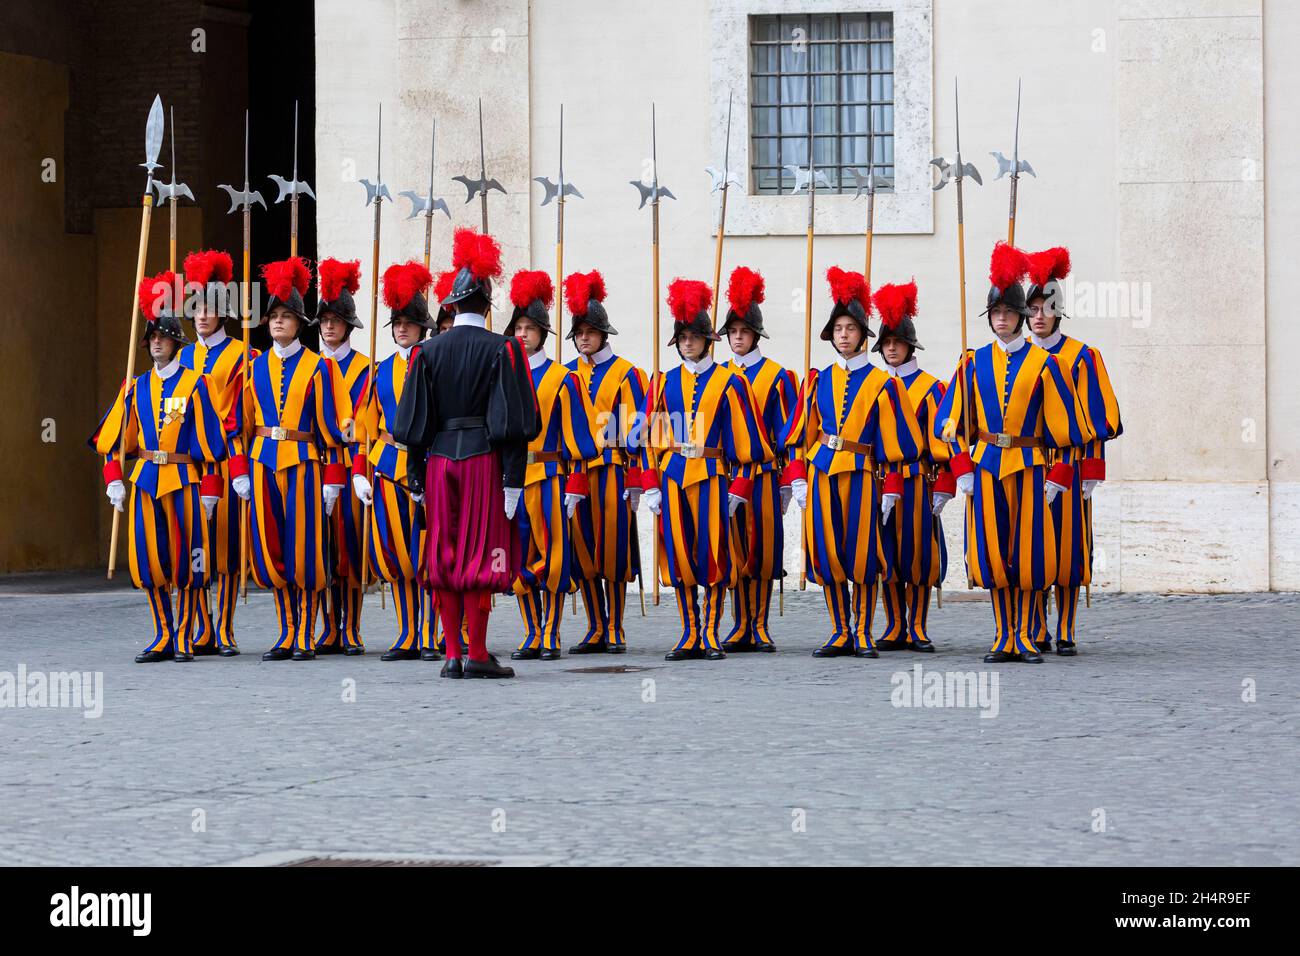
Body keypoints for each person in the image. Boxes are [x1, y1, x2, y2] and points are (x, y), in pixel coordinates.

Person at [934, 243, 1094, 663]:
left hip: (1030, 466)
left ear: (1022, 316)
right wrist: (961, 466)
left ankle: (1025, 634)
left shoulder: (1046, 365)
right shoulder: (971, 363)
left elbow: (1068, 431)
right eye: (995, 313)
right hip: (986, 466)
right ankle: (1003, 635)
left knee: (1029, 554)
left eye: (1008, 312)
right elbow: (948, 423)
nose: (1001, 319)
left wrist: (1060, 476)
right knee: (994, 554)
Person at [392, 228, 540, 679]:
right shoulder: (505, 349)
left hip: (438, 462)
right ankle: (477, 651)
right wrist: (513, 481)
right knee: (485, 554)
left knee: (443, 555)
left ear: (451, 306)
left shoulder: (425, 352)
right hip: (484, 461)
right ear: (488, 306)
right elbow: (514, 425)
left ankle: (453, 654)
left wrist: (416, 478)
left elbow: (412, 427)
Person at [779, 267, 923, 659]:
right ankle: (839, 629)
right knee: (828, 553)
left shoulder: (884, 383)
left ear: (862, 334)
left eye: (850, 328)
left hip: (862, 473)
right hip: (822, 471)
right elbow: (797, 437)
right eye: (838, 328)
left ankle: (862, 629)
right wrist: (799, 480)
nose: (843, 334)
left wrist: (891, 487)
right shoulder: (816, 380)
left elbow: (900, 445)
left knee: (860, 553)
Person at [90, 271, 228, 662]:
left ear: (175, 343)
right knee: (151, 563)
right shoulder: (134, 387)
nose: (155, 343)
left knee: (188, 562)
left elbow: (214, 445)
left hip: (184, 480)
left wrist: (212, 490)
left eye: (162, 338)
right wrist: (114, 480)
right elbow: (114, 439)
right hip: (147, 479)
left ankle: (185, 636)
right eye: (151, 338)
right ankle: (163, 634)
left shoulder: (197, 384)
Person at [642, 278, 771, 661]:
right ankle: (688, 631)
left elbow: (749, 444)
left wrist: (741, 488)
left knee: (712, 555)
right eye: (681, 337)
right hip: (674, 473)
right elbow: (651, 437)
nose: (686, 343)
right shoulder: (664, 382)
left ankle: (710, 632)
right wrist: (651, 483)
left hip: (713, 474)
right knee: (680, 556)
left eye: (693, 336)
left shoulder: (731, 382)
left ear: (707, 340)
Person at [233, 257, 351, 661]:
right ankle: (285, 631)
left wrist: (334, 479)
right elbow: (238, 426)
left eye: (286, 316)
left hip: (304, 463)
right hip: (263, 461)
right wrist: (238, 472)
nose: (279, 322)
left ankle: (305, 631)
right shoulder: (252, 368)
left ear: (301, 323)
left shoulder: (320, 368)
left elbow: (335, 429)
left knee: (305, 551)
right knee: (273, 548)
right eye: (274, 316)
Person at [1023, 246, 1123, 655]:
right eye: (1033, 309)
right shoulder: (1016, 358)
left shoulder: (1083, 357)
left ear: (1059, 311)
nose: (1040, 316)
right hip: (1026, 465)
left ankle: (1064, 628)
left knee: (1067, 550)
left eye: (1047, 308)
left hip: (1071, 466)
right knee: (1028, 547)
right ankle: (1032, 627)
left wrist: (1094, 471)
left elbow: (1098, 417)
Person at [353, 260, 451, 662]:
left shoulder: (436, 363)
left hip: (427, 466)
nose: (402, 328)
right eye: (397, 321)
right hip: (388, 464)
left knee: (428, 554)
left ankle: (433, 632)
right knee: (395, 556)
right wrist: (361, 470)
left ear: (423, 327)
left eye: (410, 322)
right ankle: (408, 632)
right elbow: (366, 424)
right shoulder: (380, 371)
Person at [503, 270, 599, 660]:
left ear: (543, 332)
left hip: (550, 474)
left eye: (530, 327)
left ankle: (552, 632)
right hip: (513, 476)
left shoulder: (565, 378)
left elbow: (580, 437)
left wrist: (576, 483)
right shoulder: (503, 374)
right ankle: (530, 631)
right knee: (520, 553)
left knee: (555, 554)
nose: (523, 334)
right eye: (518, 327)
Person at [564, 270, 650, 654]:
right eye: (578, 331)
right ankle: (594, 625)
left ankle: (615, 626)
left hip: (614, 471)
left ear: (603, 333)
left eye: (588, 331)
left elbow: (637, 432)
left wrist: (636, 479)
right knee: (582, 550)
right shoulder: (565, 374)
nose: (583, 337)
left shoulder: (628, 374)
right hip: (578, 473)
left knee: (612, 550)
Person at [716, 266, 798, 652]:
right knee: (733, 549)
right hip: (728, 474)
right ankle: (738, 623)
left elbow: (789, 432)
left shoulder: (779, 376)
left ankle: (760, 624)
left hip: (764, 474)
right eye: (732, 332)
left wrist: (787, 481)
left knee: (763, 549)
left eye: (743, 331)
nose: (736, 337)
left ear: (755, 334)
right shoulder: (717, 377)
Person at [871, 280, 954, 652]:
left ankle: (917, 625)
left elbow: (946, 440)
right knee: (885, 552)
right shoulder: (870, 385)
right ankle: (893, 625)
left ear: (909, 345)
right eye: (886, 342)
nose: (890, 347)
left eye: (897, 342)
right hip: (876, 480)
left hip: (917, 481)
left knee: (918, 554)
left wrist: (945, 485)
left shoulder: (933, 388)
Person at [177, 249, 247, 656]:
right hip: (191, 464)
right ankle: (200, 625)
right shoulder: (182, 357)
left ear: (222, 314)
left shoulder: (245, 354)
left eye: (209, 309)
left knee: (227, 546)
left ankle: (225, 627)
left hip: (226, 458)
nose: (202, 316)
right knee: (196, 546)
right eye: (197, 308)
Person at [314, 257, 368, 656]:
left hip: (351, 470)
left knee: (348, 547)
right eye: (325, 320)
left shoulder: (367, 369)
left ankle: (350, 626)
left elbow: (360, 425)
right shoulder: (310, 366)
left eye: (336, 320)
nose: (329, 326)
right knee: (317, 549)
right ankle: (327, 626)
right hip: (311, 469)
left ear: (348, 325)